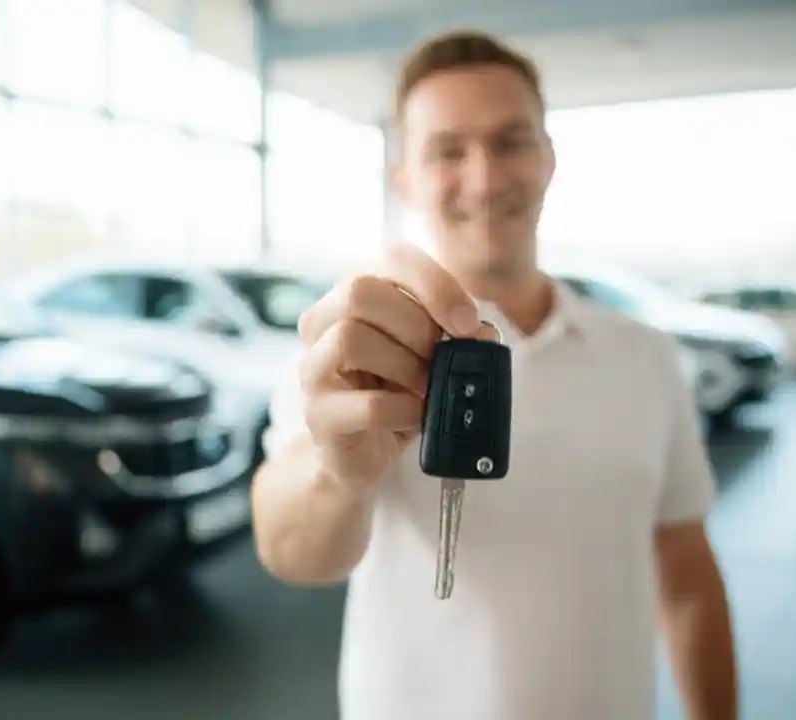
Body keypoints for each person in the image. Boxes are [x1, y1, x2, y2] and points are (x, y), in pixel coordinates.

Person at [251, 30, 737, 720]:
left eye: (510, 141)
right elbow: (291, 552)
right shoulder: (352, 349)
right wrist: (340, 471)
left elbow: (685, 565)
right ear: (404, 178)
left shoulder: (647, 357)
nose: (483, 178)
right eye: (447, 150)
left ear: (547, 158)